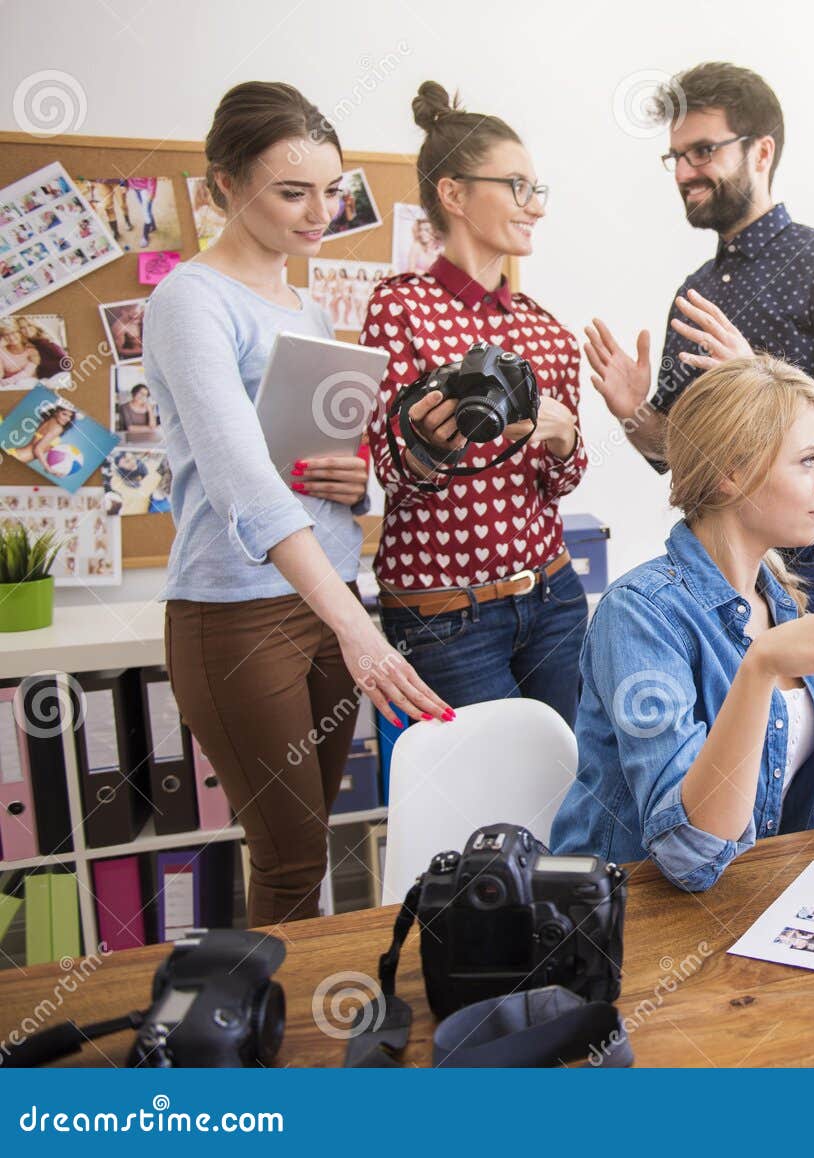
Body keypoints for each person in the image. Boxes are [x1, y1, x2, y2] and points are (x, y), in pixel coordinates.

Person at [144, 81, 452, 928]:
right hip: (239, 613)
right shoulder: (190, 300)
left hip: (326, 597)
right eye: (292, 193)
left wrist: (352, 483)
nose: (321, 214)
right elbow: (243, 481)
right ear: (224, 185)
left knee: (320, 841)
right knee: (289, 860)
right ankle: (267, 1014)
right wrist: (359, 629)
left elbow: (306, 466)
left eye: (332, 190)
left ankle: (302, 1003)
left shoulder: (307, 306)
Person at [551, 356, 814, 892]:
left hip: (745, 899)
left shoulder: (780, 600)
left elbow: (758, 813)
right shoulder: (638, 614)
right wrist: (759, 668)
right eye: (808, 461)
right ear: (729, 474)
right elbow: (690, 857)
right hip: (619, 912)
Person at [584, 62, 814, 609]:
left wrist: (762, 383)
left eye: (703, 151)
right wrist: (634, 412)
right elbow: (674, 452)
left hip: (808, 549)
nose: (684, 173)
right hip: (708, 549)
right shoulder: (696, 289)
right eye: (676, 157)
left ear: (761, 152)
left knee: (807, 673)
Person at [361, 82, 590, 724]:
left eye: (537, 189)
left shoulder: (547, 329)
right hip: (444, 616)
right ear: (454, 194)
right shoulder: (399, 308)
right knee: (494, 782)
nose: (535, 206)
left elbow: (562, 482)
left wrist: (565, 439)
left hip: (552, 597)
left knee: (570, 771)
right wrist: (431, 449)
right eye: (517, 186)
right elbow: (393, 476)